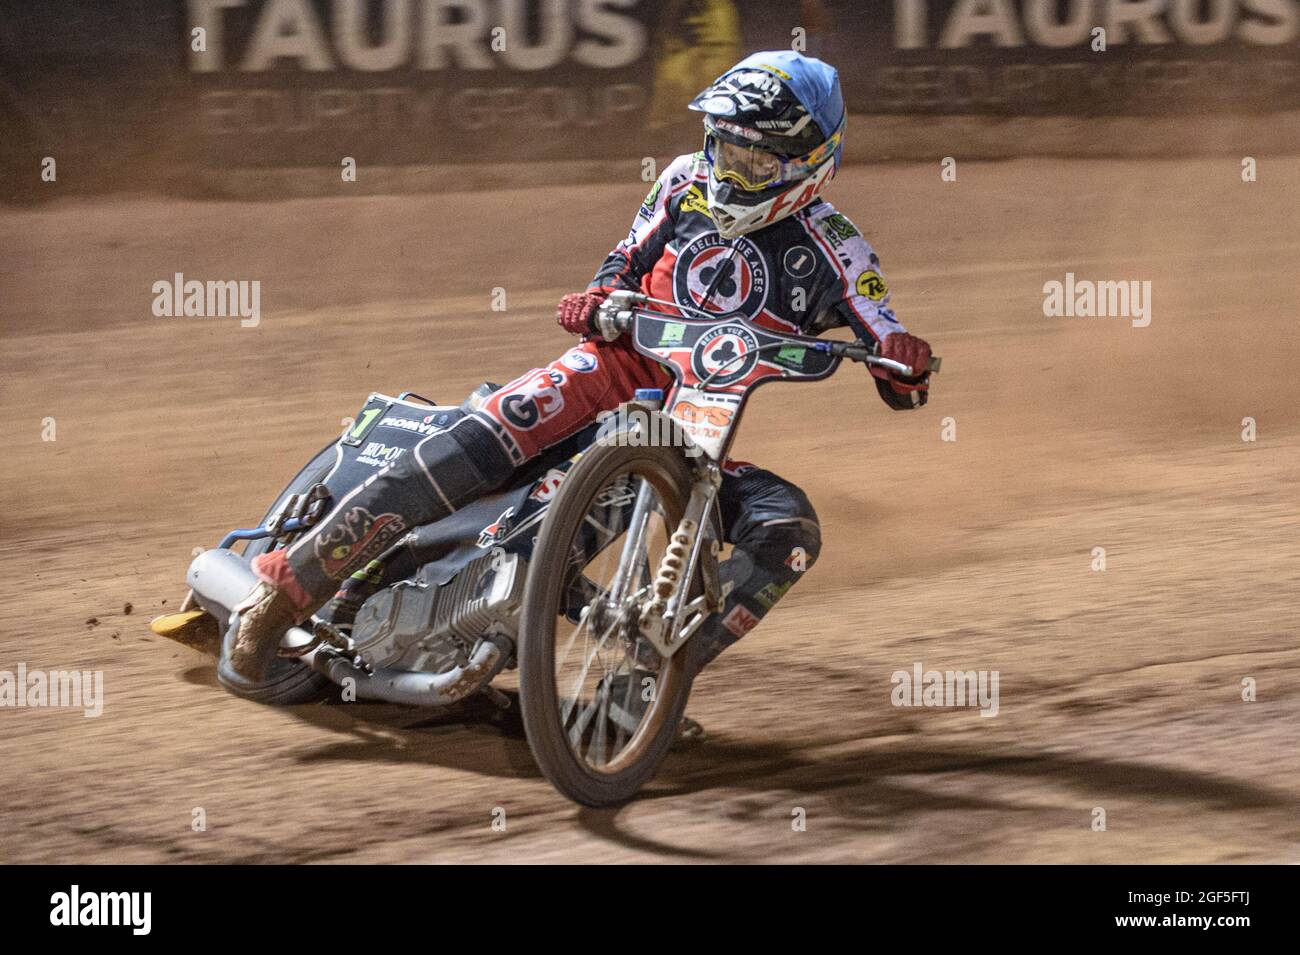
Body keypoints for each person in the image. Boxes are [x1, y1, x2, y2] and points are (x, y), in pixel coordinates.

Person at [219, 50, 934, 691]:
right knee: (482, 436)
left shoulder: (838, 247)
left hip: (693, 430)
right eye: (722, 147)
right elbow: (624, 257)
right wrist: (597, 295)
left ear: (810, 161)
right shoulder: (683, 180)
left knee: (789, 529)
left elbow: (893, 356)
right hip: (608, 367)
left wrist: (904, 360)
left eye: (753, 162)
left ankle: (648, 684)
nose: (727, 171)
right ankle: (283, 591)